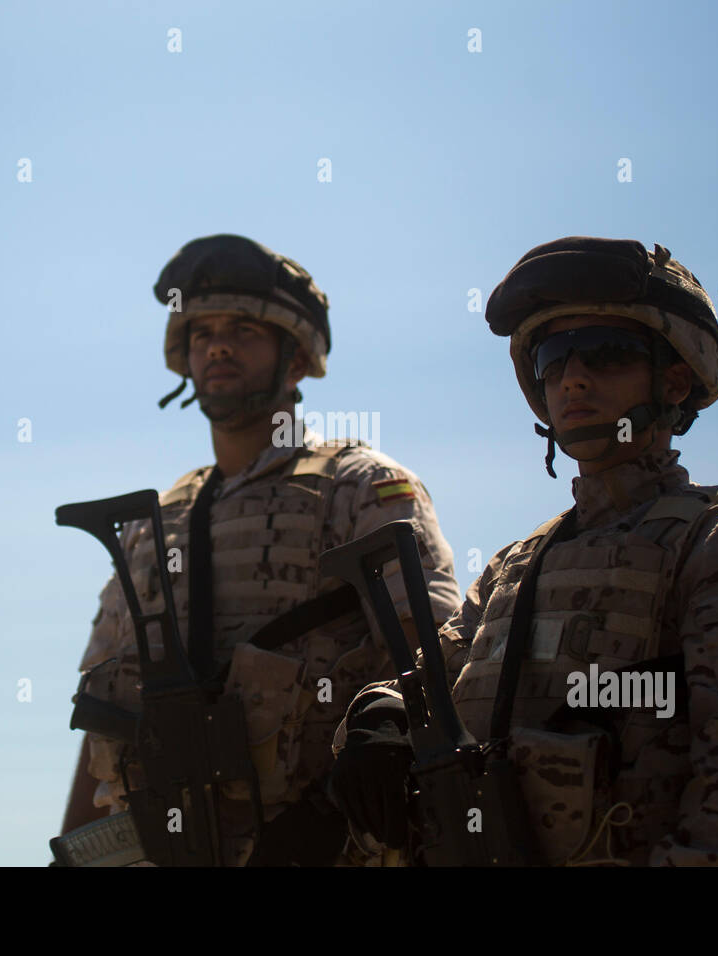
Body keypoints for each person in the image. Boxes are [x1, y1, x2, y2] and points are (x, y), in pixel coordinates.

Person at [330, 236, 718, 866]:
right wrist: (381, 715)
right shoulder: (519, 564)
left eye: (606, 354)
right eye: (553, 361)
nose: (574, 379)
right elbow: (433, 667)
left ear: (675, 379)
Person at [59, 233, 461, 866]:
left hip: (328, 846)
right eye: (202, 332)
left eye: (244, 330)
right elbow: (104, 717)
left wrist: (359, 773)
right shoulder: (151, 524)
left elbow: (432, 648)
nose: (218, 345)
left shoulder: (357, 486)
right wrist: (73, 853)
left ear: (296, 359)